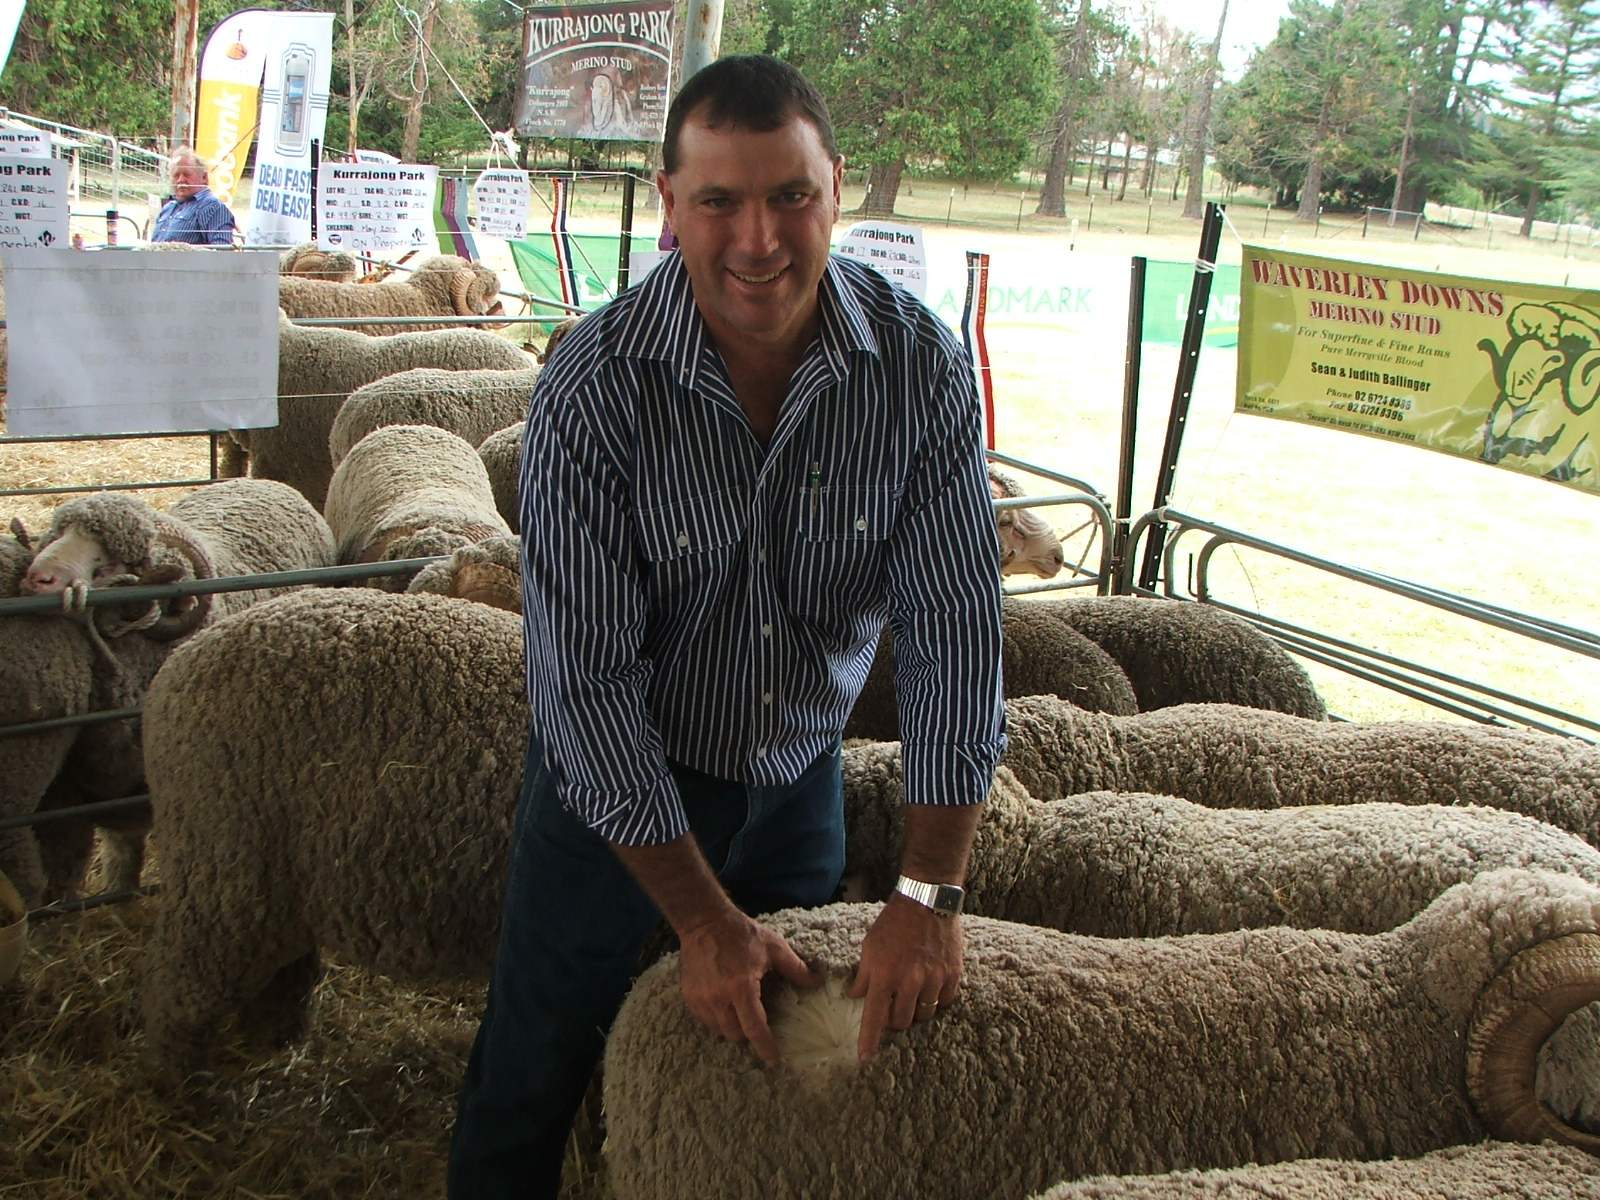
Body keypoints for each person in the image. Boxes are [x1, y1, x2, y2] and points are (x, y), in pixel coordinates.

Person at [448, 54, 1005, 1198]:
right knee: (536, 1063)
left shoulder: (917, 367)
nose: (760, 238)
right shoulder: (596, 385)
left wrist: (927, 895)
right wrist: (703, 923)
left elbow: (955, 629)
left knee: (769, 1075)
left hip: (797, 769)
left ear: (836, 189)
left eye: (789, 195)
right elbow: (586, 683)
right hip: (618, 789)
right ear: (670, 206)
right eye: (720, 201)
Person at [151, 149, 236, 245]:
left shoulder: (212, 207)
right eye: (176, 175)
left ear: (204, 178)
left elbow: (221, 253)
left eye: (186, 174)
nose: (181, 180)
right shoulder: (168, 208)